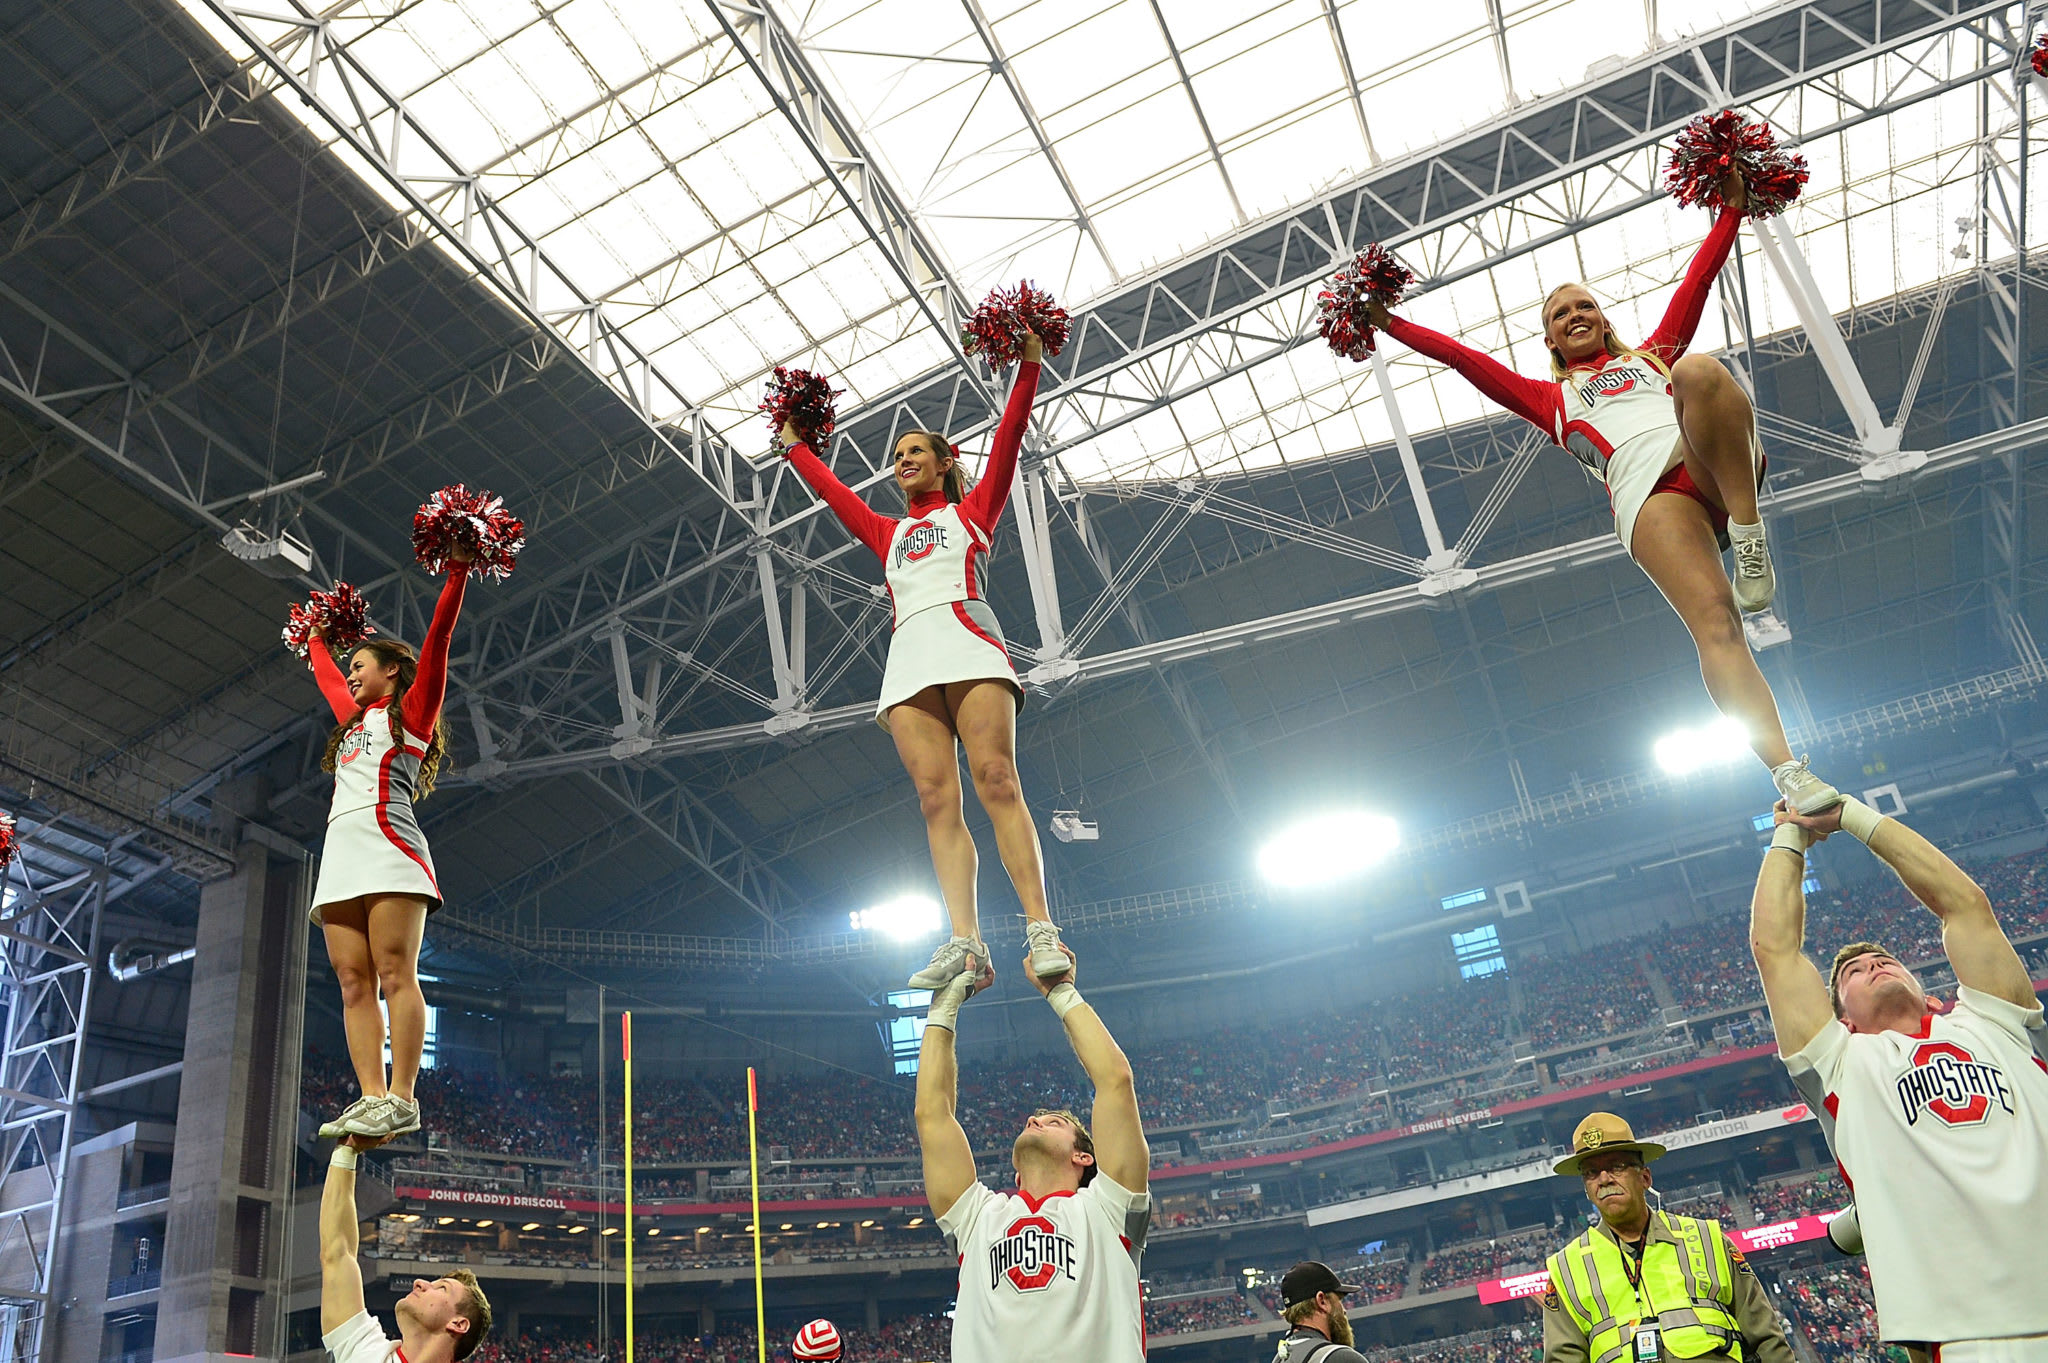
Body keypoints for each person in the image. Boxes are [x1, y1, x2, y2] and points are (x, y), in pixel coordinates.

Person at [1368, 174, 1837, 814]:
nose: (1575, 316)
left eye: (1583, 305)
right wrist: (1384, 321)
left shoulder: (1654, 356)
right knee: (1717, 626)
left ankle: (1749, 534)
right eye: (1560, 315)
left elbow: (1698, 279)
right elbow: (1460, 357)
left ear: (1602, 317)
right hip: (1649, 500)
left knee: (1699, 371)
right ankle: (1787, 773)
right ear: (1551, 342)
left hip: (1708, 463)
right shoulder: (1547, 399)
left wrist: (1732, 205)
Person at [778, 333, 1068, 989]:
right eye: (896, 455)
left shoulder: (973, 511)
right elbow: (832, 490)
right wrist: (794, 443)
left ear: (943, 463)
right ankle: (966, 942)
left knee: (996, 778)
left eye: (914, 452)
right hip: (908, 658)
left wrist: (1027, 360)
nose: (901, 460)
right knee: (937, 798)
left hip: (967, 637)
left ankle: (1040, 927)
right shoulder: (886, 532)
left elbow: (1012, 435)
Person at [1752, 798, 2048, 1357]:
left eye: (1883, 959)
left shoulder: (1995, 1022)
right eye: (1853, 973)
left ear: (1929, 991)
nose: (1871, 964)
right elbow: (1776, 951)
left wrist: (1851, 816)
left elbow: (1965, 906)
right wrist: (1789, 836)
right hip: (1969, 1333)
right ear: (1842, 1019)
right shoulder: (1841, 1063)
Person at [914, 945, 1149, 1361]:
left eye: (1053, 1122)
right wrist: (944, 1007)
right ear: (1016, 1172)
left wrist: (1061, 993)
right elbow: (932, 1114)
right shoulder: (978, 1218)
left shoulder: (1110, 1209)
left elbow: (1115, 1080)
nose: (1033, 1121)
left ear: (1084, 1159)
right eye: (1032, 1122)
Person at [305, 550, 468, 1140]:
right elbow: (323, 674)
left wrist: (458, 572)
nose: (350, 674)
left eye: (360, 665)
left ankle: (404, 1095)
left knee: (395, 969)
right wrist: (316, 639)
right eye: (348, 666)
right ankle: (372, 1098)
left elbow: (439, 641)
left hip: (391, 846)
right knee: (352, 980)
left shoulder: (412, 715)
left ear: (391, 672)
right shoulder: (352, 723)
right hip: (340, 856)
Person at [1543, 1112, 1795, 1363]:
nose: (1604, 1179)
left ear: (1644, 1177)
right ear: (1586, 1190)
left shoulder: (1708, 1240)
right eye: (1591, 1172)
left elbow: (1767, 1340)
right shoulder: (1566, 1269)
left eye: (1617, 1166)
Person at [320, 1134, 492, 1363]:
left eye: (441, 1289)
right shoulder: (366, 1350)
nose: (419, 1283)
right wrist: (346, 1151)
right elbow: (337, 1252)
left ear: (458, 1324)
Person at [1271, 1261, 1370, 1362]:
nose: (1344, 1310)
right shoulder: (1342, 1358)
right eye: (1339, 1300)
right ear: (1322, 1301)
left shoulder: (1279, 1359)